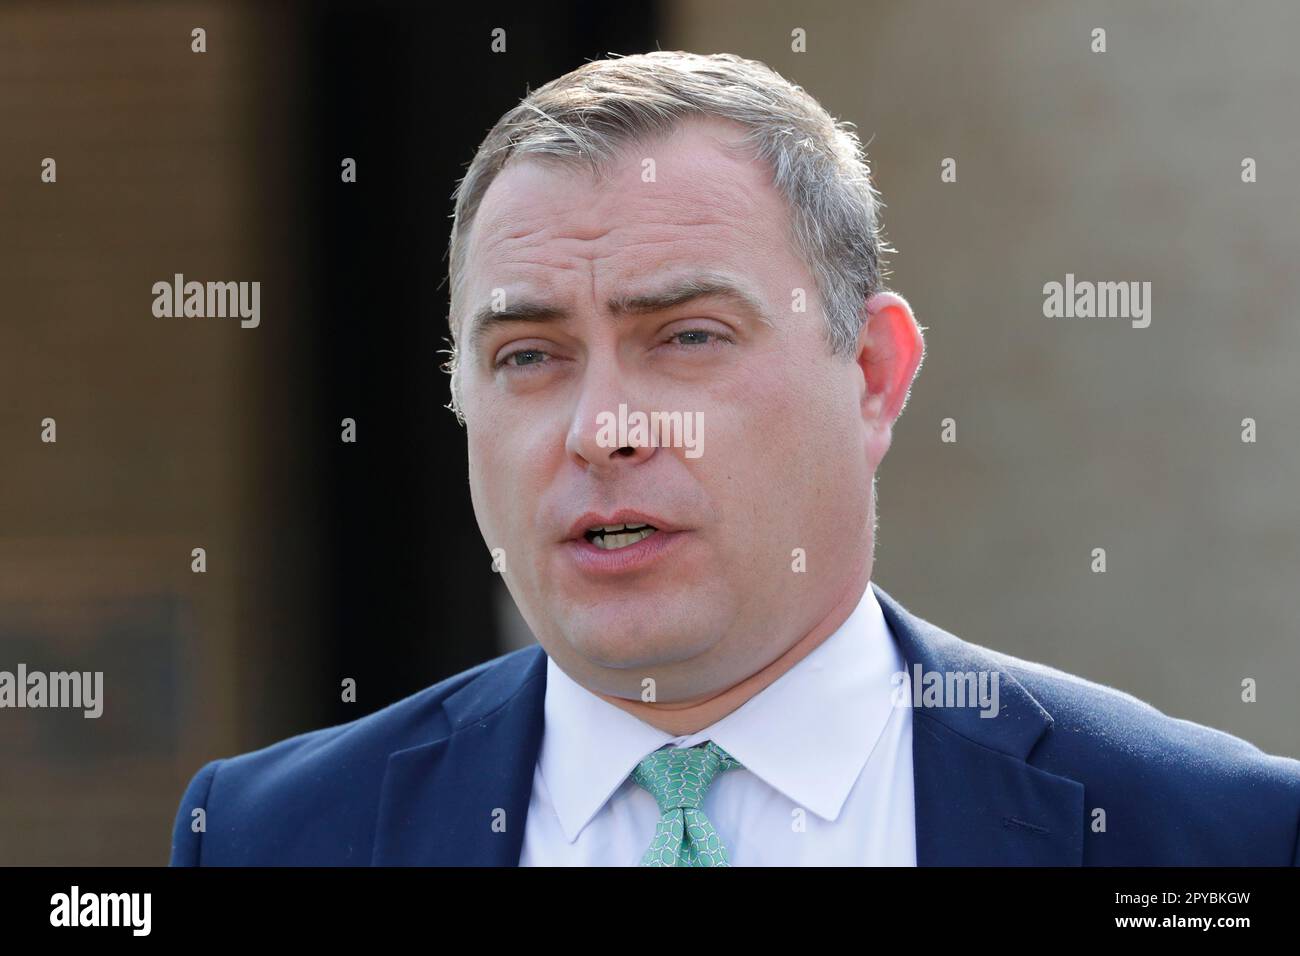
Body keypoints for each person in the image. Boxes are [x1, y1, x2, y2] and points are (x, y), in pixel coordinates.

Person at [171, 51, 1300, 866]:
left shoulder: (1211, 832)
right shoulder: (271, 834)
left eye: (687, 337)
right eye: (529, 354)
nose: (603, 427)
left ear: (870, 373)